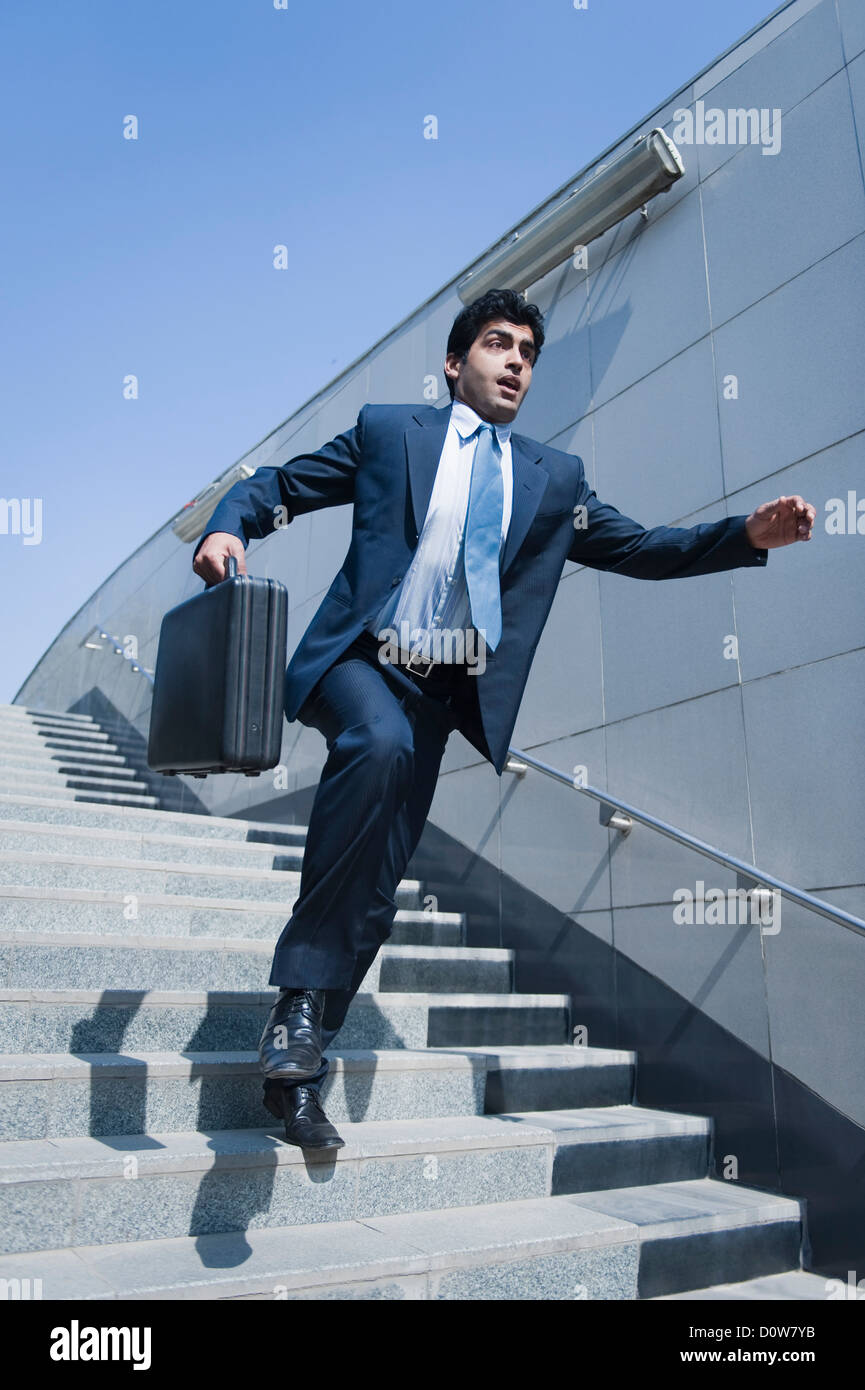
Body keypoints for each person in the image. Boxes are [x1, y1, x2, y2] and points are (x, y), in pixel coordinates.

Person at [192, 288, 816, 1150]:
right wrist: (231, 528)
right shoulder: (387, 434)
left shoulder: (552, 481)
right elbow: (279, 486)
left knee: (376, 896)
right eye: (497, 343)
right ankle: (296, 1001)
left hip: (440, 699)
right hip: (359, 663)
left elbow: (637, 549)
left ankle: (297, 1072)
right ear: (455, 363)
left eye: (527, 349)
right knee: (372, 743)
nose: (517, 360)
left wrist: (741, 534)